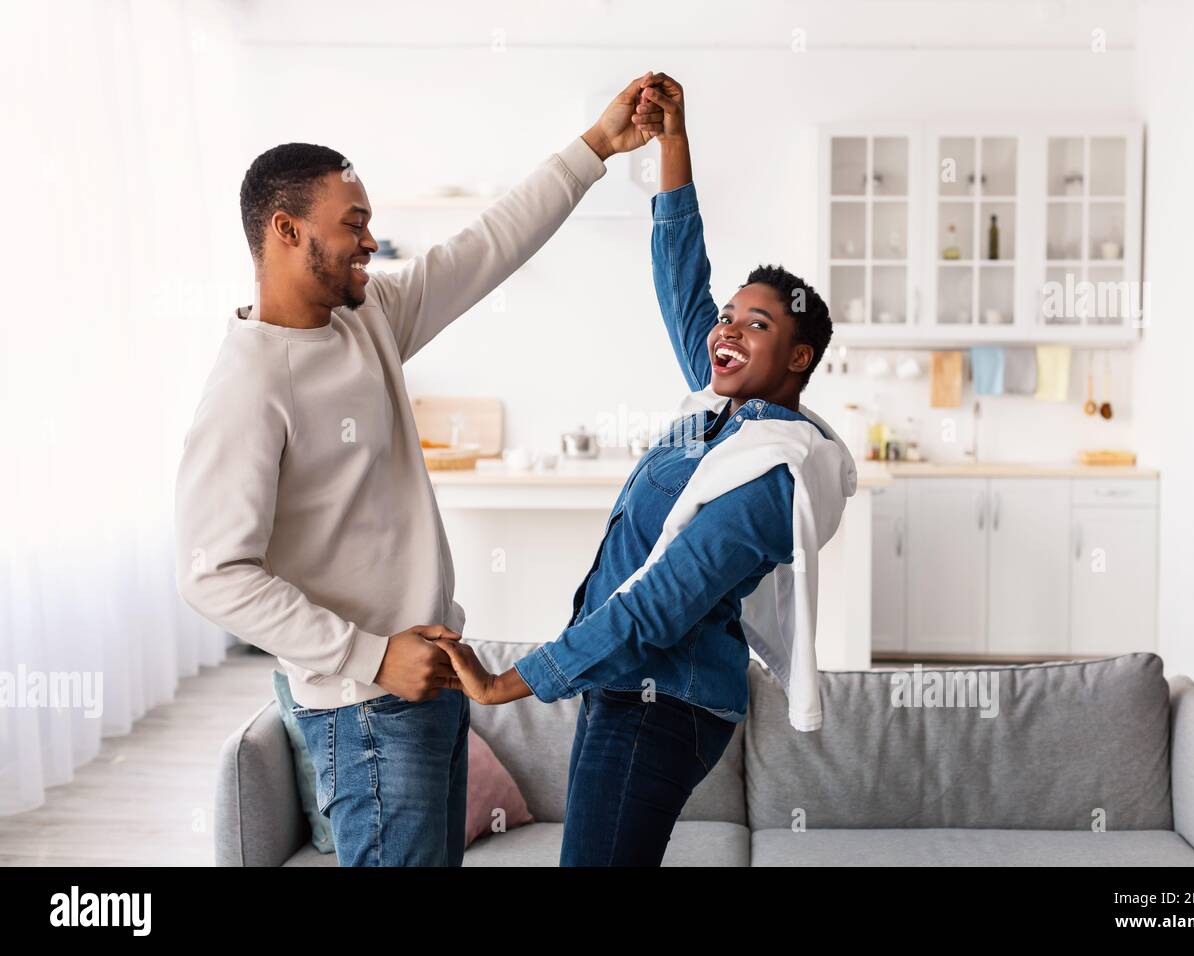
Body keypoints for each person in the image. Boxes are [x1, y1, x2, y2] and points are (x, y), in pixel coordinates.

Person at [173, 73, 666, 866]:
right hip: (365, 711)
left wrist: (599, 145)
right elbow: (212, 574)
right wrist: (370, 656)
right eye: (353, 223)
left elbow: (485, 247)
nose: (371, 241)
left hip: (429, 687)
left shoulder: (366, 318)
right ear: (286, 230)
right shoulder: (249, 384)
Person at [438, 73, 850, 866]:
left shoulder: (773, 471)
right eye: (727, 317)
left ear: (798, 358)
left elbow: (658, 607)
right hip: (628, 687)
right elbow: (680, 273)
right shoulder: (717, 411)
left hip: (662, 705)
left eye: (756, 324)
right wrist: (672, 140)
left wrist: (506, 682)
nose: (726, 330)